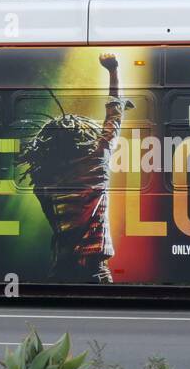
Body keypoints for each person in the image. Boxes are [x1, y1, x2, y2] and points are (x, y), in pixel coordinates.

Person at [19, 53, 128, 283]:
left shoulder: (45, 181)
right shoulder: (96, 164)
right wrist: (113, 70)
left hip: (61, 267)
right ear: (84, 138)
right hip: (95, 269)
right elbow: (114, 118)